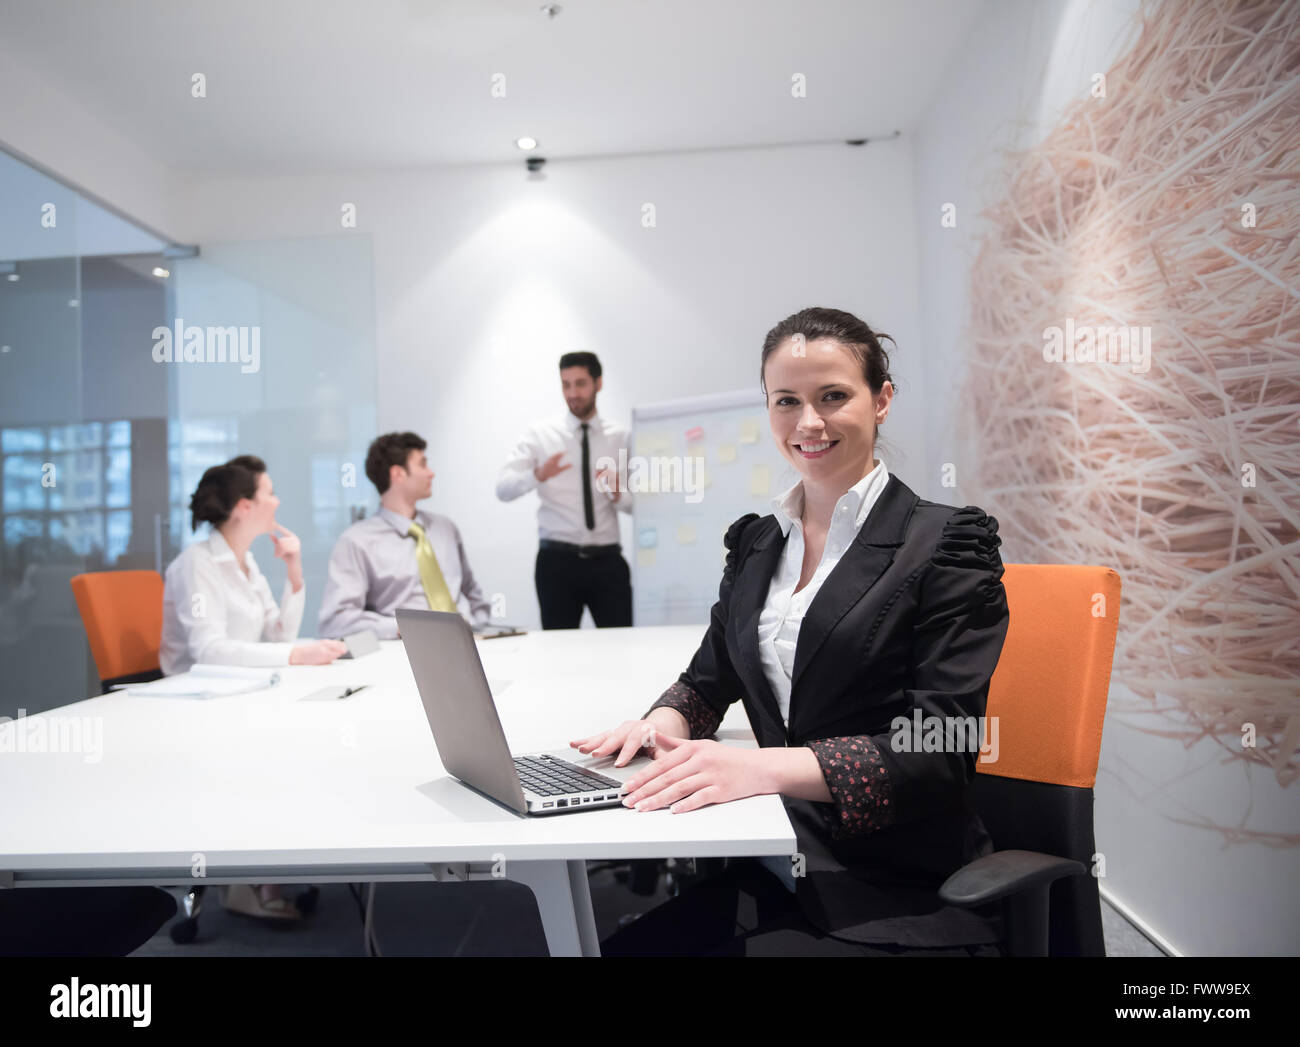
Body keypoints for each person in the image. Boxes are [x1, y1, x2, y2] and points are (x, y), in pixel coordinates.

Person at [572, 307, 1011, 956]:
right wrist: (657, 725)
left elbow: (941, 745)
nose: (809, 422)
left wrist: (758, 768)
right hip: (771, 858)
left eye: (833, 396)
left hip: (891, 883)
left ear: (881, 399)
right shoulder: (758, 542)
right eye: (787, 401)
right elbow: (706, 680)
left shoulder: (945, 544)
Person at [161, 454, 345, 921]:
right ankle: (248, 880)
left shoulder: (245, 563)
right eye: (269, 493)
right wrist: (295, 655)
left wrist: (295, 571)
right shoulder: (196, 564)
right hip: (195, 701)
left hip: (239, 690)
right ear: (244, 506)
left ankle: (267, 865)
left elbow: (279, 635)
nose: (277, 500)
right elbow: (209, 650)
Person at [495, 352, 633, 629]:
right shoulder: (540, 435)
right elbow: (503, 488)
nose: (573, 393)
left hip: (607, 561)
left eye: (580, 383)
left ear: (598, 383)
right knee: (557, 652)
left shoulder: (622, 437)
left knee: (621, 646)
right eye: (566, 385)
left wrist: (618, 493)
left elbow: (642, 506)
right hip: (557, 563)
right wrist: (537, 474)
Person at [318, 432, 492, 639]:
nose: (431, 473)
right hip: (403, 653)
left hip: (471, 644)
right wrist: (402, 628)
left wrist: (478, 624)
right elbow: (335, 622)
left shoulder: (446, 529)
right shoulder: (356, 541)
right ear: (398, 474)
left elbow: (472, 593)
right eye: (422, 464)